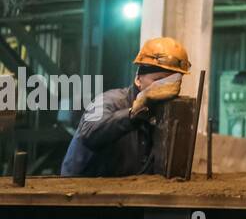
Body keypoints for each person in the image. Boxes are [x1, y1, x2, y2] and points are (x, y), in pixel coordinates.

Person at [60, 36, 189, 177]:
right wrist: (133, 114)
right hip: (80, 193)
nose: (164, 89)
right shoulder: (109, 100)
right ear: (138, 79)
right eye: (158, 81)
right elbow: (89, 131)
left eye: (172, 83)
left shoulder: (161, 114)